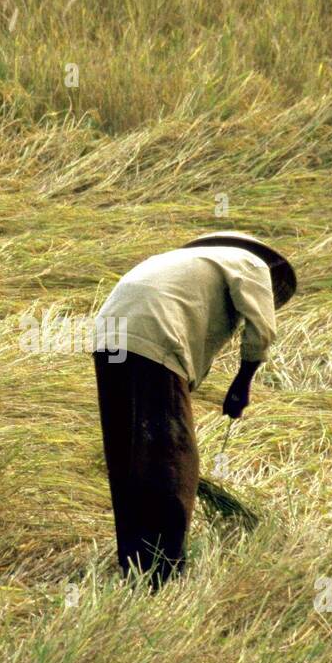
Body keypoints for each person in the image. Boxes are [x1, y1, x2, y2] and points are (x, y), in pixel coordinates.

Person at [92, 232, 296, 587]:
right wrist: (242, 383)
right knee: (170, 454)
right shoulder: (252, 264)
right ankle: (164, 569)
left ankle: (136, 565)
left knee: (129, 454)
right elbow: (261, 331)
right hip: (154, 334)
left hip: (109, 336)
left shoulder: (187, 264)